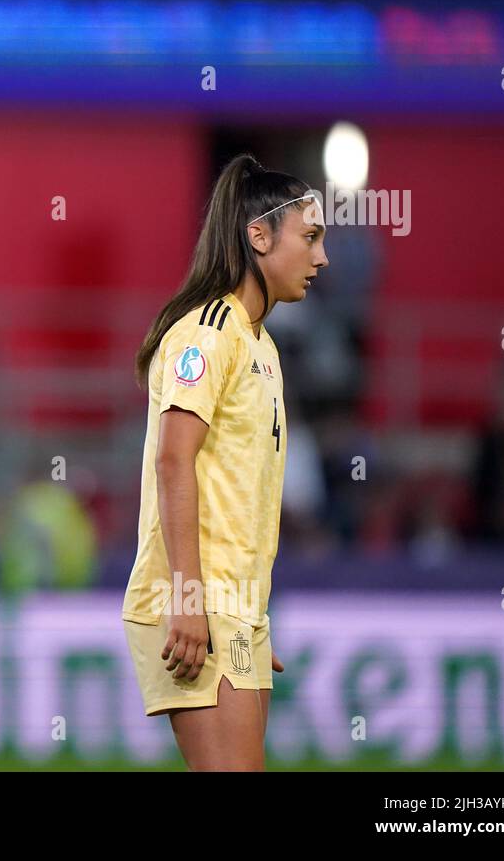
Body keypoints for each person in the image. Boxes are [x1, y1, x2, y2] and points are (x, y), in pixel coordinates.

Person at [122, 154, 328, 771]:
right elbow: (172, 462)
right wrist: (191, 599)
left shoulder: (261, 344)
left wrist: (247, 611)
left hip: (235, 606)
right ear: (258, 236)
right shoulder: (206, 333)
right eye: (311, 237)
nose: (321, 258)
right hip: (195, 599)